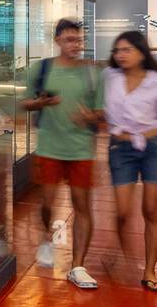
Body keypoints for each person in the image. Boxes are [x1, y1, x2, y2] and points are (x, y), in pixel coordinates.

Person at [21, 19, 104, 289]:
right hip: (49, 148)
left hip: (81, 149)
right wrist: (41, 102)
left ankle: (78, 265)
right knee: (47, 203)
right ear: (57, 40)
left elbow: (103, 111)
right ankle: (47, 239)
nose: (75, 45)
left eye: (78, 40)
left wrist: (90, 116)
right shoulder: (42, 69)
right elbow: (25, 103)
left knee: (82, 206)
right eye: (69, 40)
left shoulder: (93, 73)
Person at [103, 30, 157, 293]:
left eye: (127, 49)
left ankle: (149, 270)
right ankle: (124, 253)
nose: (121, 55)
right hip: (120, 148)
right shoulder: (109, 78)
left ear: (142, 52)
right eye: (118, 51)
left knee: (151, 210)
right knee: (122, 211)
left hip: (154, 148)